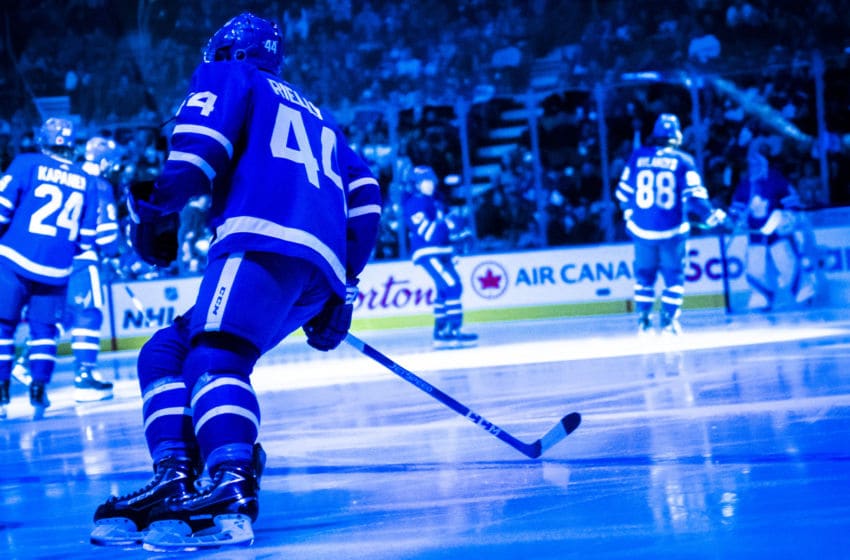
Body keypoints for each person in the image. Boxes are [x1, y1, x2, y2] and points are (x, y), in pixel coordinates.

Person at [89, 13, 382, 551]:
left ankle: (229, 481)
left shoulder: (230, 77)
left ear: (226, 50)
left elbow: (200, 148)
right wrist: (343, 285)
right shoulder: (323, 120)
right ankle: (176, 474)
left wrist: (155, 210)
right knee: (164, 353)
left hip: (259, 241)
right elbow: (366, 196)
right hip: (312, 268)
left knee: (215, 359)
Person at [0, 117, 99, 419]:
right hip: (56, 271)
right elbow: (86, 240)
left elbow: (2, 211)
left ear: (43, 140)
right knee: (44, 331)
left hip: (13, 260)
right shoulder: (88, 181)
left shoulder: (26, 163)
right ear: (72, 145)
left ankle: (2, 394)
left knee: (3, 327)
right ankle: (38, 390)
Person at [11, 135, 122, 402]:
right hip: (82, 262)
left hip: (53, 261)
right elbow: (106, 237)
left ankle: (26, 362)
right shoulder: (99, 185)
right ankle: (84, 377)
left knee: (63, 317)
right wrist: (117, 255)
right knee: (89, 314)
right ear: (105, 160)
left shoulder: (69, 175)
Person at [615, 113, 726, 336]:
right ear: (676, 136)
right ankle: (668, 322)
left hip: (642, 230)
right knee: (673, 276)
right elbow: (694, 198)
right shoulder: (683, 161)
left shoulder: (637, 157)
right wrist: (710, 215)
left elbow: (622, 193)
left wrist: (629, 214)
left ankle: (644, 322)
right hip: (671, 232)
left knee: (644, 277)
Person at [729, 148, 818, 310]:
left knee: (785, 259)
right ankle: (761, 295)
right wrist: (737, 219)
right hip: (756, 235)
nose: (753, 166)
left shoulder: (776, 179)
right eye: (751, 163)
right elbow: (736, 209)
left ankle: (803, 291)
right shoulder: (744, 184)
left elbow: (792, 204)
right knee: (755, 264)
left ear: (764, 162)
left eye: (757, 162)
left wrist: (786, 218)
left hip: (778, 233)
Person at [404, 165, 477, 349]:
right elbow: (428, 233)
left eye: (431, 180)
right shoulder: (414, 203)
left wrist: (459, 233)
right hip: (428, 252)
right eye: (425, 181)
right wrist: (449, 225)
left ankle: (442, 331)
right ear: (416, 184)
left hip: (441, 251)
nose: (430, 184)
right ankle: (453, 330)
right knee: (453, 286)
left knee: (444, 290)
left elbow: (447, 227)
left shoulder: (435, 202)